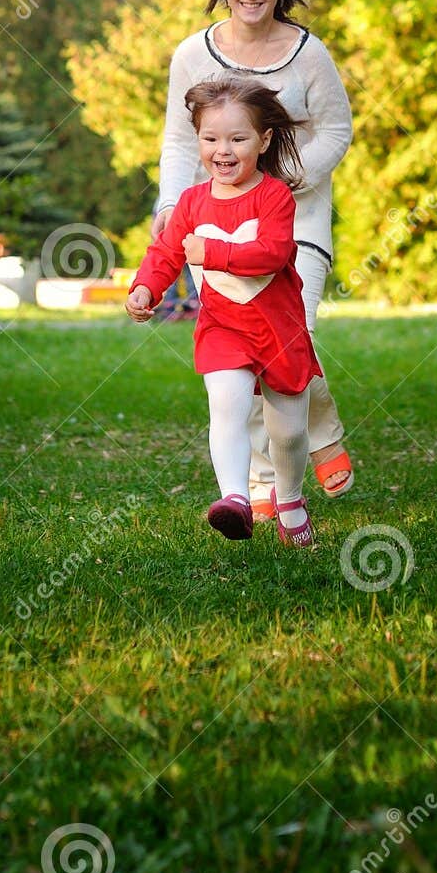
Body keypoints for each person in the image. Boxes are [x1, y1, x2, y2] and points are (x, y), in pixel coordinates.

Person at [151, 0, 353, 517]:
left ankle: (323, 437)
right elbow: (176, 139)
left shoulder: (309, 54)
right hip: (216, 228)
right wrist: (171, 206)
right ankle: (267, 482)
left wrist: (282, 184)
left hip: (295, 218)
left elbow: (337, 131)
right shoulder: (192, 54)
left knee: (295, 340)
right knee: (240, 354)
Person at [125, 75, 320, 548]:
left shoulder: (273, 196)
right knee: (226, 408)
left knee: (289, 432)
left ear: (264, 139)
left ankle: (289, 500)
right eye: (210, 138)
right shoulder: (191, 202)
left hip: (279, 330)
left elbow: (271, 254)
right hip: (224, 327)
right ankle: (235, 500)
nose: (223, 150)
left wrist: (209, 252)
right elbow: (166, 252)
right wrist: (146, 288)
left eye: (237, 138)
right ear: (198, 141)